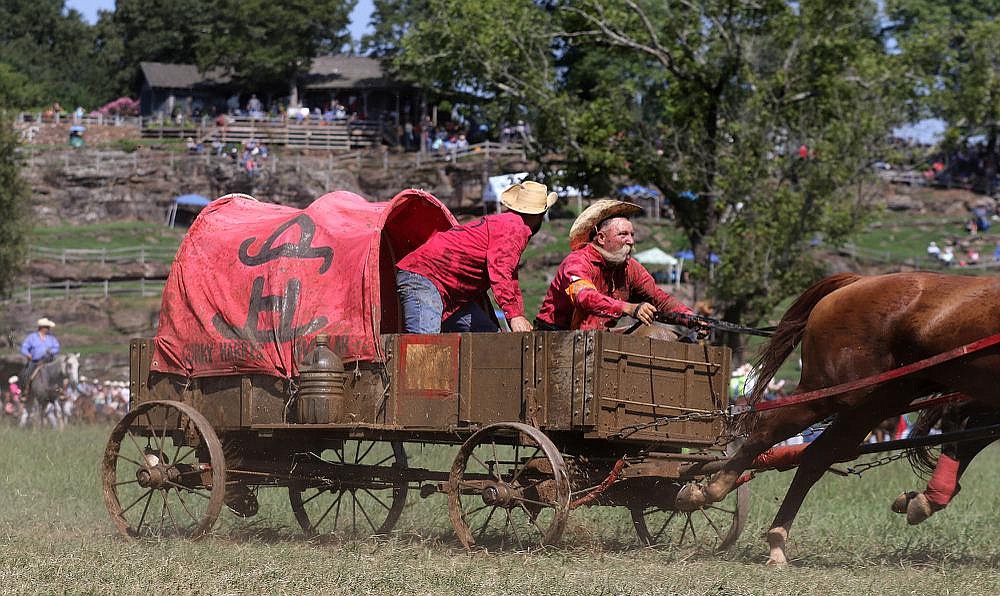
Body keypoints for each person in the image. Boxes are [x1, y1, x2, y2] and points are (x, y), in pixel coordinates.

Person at [396, 181, 557, 333]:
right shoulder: (514, 228)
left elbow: (510, 278)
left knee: (488, 338)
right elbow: (500, 270)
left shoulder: (507, 224)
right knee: (423, 350)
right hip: (426, 277)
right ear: (541, 215)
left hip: (448, 290)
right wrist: (514, 316)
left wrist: (517, 314)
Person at [535, 200, 697, 332]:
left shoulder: (630, 267)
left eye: (632, 235)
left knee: (654, 334)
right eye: (623, 234)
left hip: (596, 338)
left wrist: (690, 318)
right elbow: (584, 297)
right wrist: (628, 308)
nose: (631, 241)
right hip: (554, 336)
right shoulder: (578, 262)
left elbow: (658, 298)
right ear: (601, 238)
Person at [20, 317, 60, 389]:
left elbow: (56, 348)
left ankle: (60, 389)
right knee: (26, 374)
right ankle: (25, 390)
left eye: (48, 327)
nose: (48, 329)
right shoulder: (32, 337)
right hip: (35, 361)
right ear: (42, 328)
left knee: (59, 372)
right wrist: (28, 354)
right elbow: (24, 348)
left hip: (49, 361)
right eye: (47, 327)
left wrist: (51, 351)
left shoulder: (51, 338)